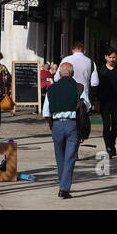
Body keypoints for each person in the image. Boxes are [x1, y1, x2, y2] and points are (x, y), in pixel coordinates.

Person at [42, 61, 89, 199]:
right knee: (70, 157)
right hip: (72, 124)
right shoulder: (79, 87)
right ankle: (64, 188)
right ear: (72, 73)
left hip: (57, 124)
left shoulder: (52, 89)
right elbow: (88, 105)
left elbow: (46, 112)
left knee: (60, 157)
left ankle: (62, 185)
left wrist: (52, 125)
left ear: (60, 73)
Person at [95, 47, 117, 157]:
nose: (112, 59)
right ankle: (108, 146)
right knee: (106, 125)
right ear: (106, 57)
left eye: (114, 57)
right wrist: (96, 101)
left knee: (116, 126)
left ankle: (112, 143)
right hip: (104, 101)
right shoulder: (101, 70)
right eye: (110, 57)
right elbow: (96, 86)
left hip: (116, 101)